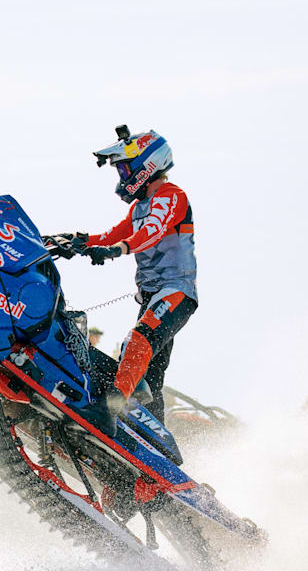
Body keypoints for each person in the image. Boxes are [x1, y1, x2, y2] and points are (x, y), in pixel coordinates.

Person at [59, 125, 197, 430]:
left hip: (176, 292)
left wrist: (117, 250)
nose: (122, 176)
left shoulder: (171, 196)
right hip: (153, 296)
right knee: (150, 376)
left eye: (124, 168)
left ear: (146, 165)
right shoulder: (139, 207)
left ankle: (107, 413)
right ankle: (153, 441)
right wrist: (76, 242)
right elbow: (112, 235)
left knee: (137, 341)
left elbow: (151, 231)